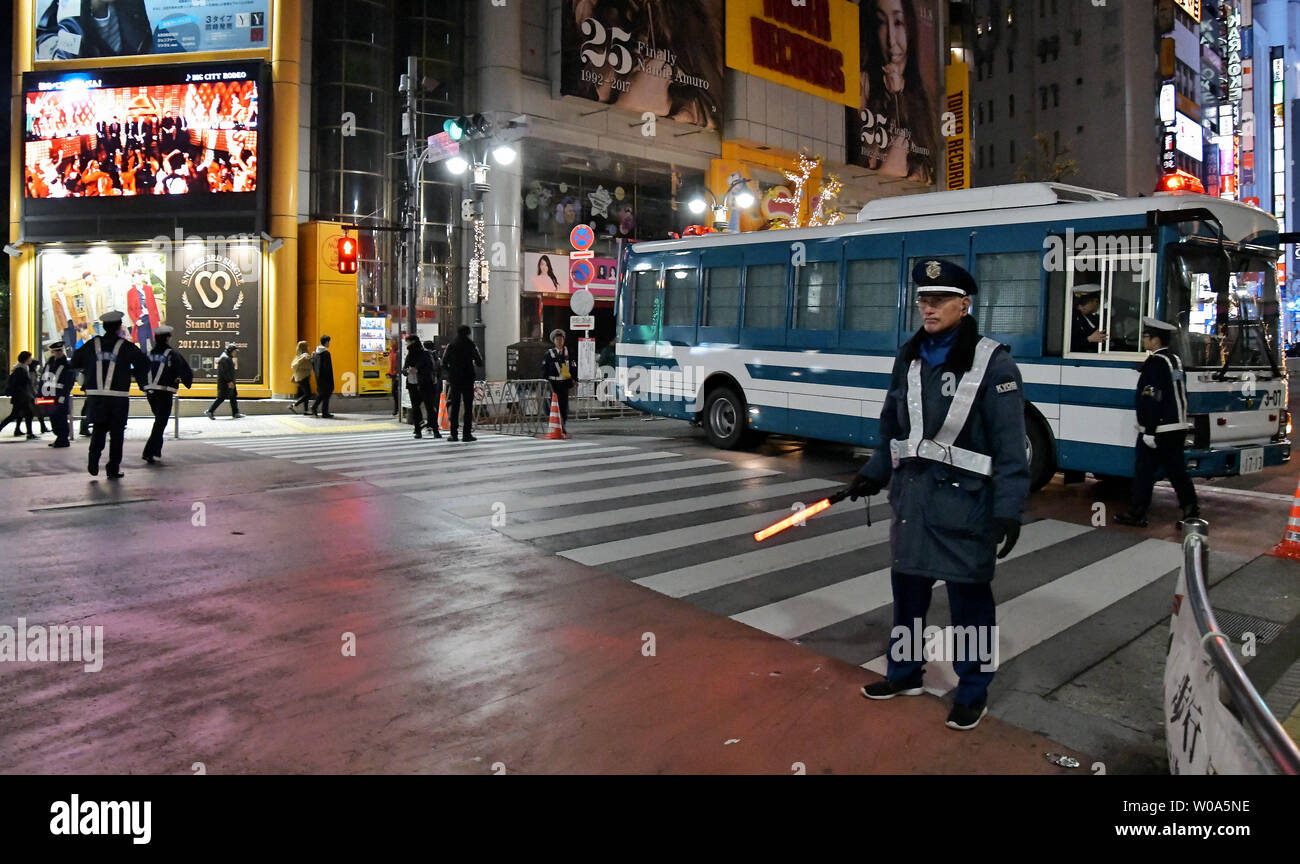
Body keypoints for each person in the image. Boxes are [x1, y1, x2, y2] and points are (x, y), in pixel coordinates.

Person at [851, 260, 1029, 731]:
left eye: (938, 300)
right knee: (907, 598)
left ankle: (973, 692)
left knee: (970, 608)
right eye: (923, 300)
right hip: (911, 501)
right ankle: (905, 674)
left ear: (964, 304)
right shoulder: (909, 356)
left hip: (966, 507)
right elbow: (892, 427)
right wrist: (873, 472)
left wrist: (1008, 511)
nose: (927, 308)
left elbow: (1012, 449)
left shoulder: (994, 363)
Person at [1114, 319, 1199, 528]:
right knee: (1177, 471)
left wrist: (1149, 430)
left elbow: (1152, 397)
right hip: (1177, 426)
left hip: (1159, 429)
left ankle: (1138, 513)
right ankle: (1191, 511)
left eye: (1146, 337)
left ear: (1155, 339)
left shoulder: (1156, 363)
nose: (1143, 340)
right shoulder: (1175, 361)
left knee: (1144, 471)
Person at [855, 0, 937, 184]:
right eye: (881, 23)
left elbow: (927, 173)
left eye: (899, 23)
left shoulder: (921, 97)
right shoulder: (864, 84)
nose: (892, 40)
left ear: (911, 30)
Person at [72, 311, 149, 478]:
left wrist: (90, 368)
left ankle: (93, 459)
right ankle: (112, 468)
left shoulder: (92, 344)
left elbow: (75, 360)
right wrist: (143, 384)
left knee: (99, 429)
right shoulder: (126, 346)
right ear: (119, 328)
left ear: (104, 327)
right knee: (116, 434)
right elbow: (143, 363)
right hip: (118, 397)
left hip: (96, 396)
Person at [36, 0, 156, 60]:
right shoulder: (67, 13)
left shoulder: (132, 6)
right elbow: (64, 64)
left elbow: (148, 49)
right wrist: (72, 21)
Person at [141, 326, 193, 463]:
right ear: (168, 338)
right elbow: (184, 369)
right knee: (160, 422)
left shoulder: (149, 353)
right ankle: (149, 451)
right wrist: (185, 381)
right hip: (165, 392)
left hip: (150, 393)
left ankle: (156, 450)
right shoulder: (171, 354)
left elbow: (141, 370)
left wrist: (144, 387)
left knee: (159, 421)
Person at [442, 325, 483, 442]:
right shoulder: (471, 344)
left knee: (455, 405)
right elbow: (479, 361)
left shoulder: (451, 345)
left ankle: (453, 434)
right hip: (468, 378)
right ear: (468, 333)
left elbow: (444, 362)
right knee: (468, 406)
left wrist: (451, 372)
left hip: (455, 378)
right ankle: (466, 434)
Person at [401, 335, 440, 440]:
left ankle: (434, 429)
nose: (406, 344)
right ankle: (418, 429)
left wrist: (417, 370)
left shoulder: (425, 354)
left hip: (425, 384)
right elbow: (404, 369)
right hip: (412, 384)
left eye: (407, 342)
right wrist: (406, 371)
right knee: (416, 408)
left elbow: (430, 367)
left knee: (430, 407)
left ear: (413, 342)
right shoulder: (409, 355)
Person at [39, 341, 77, 448]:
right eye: (56, 351)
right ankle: (59, 437)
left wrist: (63, 396)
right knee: (53, 417)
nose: (58, 353)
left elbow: (69, 382)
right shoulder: (49, 363)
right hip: (48, 394)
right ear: (52, 352)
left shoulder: (67, 365)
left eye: (60, 350)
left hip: (60, 395)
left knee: (61, 417)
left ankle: (63, 439)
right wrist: (40, 394)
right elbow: (43, 379)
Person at [543, 328, 578, 435]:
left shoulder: (569, 352)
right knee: (553, 406)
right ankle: (556, 425)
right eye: (557, 339)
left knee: (564, 406)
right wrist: (545, 382)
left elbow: (573, 367)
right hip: (553, 384)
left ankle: (563, 425)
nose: (559, 341)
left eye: (561, 339)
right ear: (554, 341)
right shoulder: (549, 354)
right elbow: (544, 369)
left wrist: (575, 379)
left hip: (564, 384)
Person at [1, 352, 39, 439]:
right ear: (26, 359)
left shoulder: (23, 368)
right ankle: (29, 434)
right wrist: (29, 395)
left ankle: (28, 433)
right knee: (24, 414)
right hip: (22, 398)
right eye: (30, 357)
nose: (31, 359)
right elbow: (20, 385)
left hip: (22, 397)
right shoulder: (20, 370)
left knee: (18, 415)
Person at [204, 343, 245, 420]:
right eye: (234, 351)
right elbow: (225, 372)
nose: (235, 353)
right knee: (221, 398)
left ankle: (235, 413)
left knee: (233, 397)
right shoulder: (225, 358)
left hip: (228, 381)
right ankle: (210, 411)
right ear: (230, 351)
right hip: (225, 383)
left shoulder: (227, 357)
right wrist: (229, 381)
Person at [1070, 285, 1107, 352]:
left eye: (1083, 304)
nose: (1080, 308)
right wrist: (1089, 339)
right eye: (1078, 305)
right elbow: (1070, 343)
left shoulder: (1104, 314)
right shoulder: (1074, 316)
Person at [423, 340, 444, 436]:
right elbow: (440, 372)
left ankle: (430, 426)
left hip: (428, 384)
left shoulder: (426, 357)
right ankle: (432, 425)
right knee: (434, 406)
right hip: (436, 384)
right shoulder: (437, 358)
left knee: (429, 406)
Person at [312, 335, 336, 418]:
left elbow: (314, 365)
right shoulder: (326, 353)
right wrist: (330, 380)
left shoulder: (316, 353)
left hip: (319, 377)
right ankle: (324, 412)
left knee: (322, 394)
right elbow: (328, 368)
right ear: (326, 342)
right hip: (326, 378)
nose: (329, 343)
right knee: (326, 394)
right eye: (329, 342)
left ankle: (315, 407)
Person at [289, 340, 314, 413]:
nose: (308, 347)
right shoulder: (305, 355)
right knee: (308, 394)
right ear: (305, 347)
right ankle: (294, 405)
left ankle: (306, 410)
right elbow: (309, 364)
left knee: (306, 394)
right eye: (307, 346)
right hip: (304, 377)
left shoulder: (298, 356)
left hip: (299, 377)